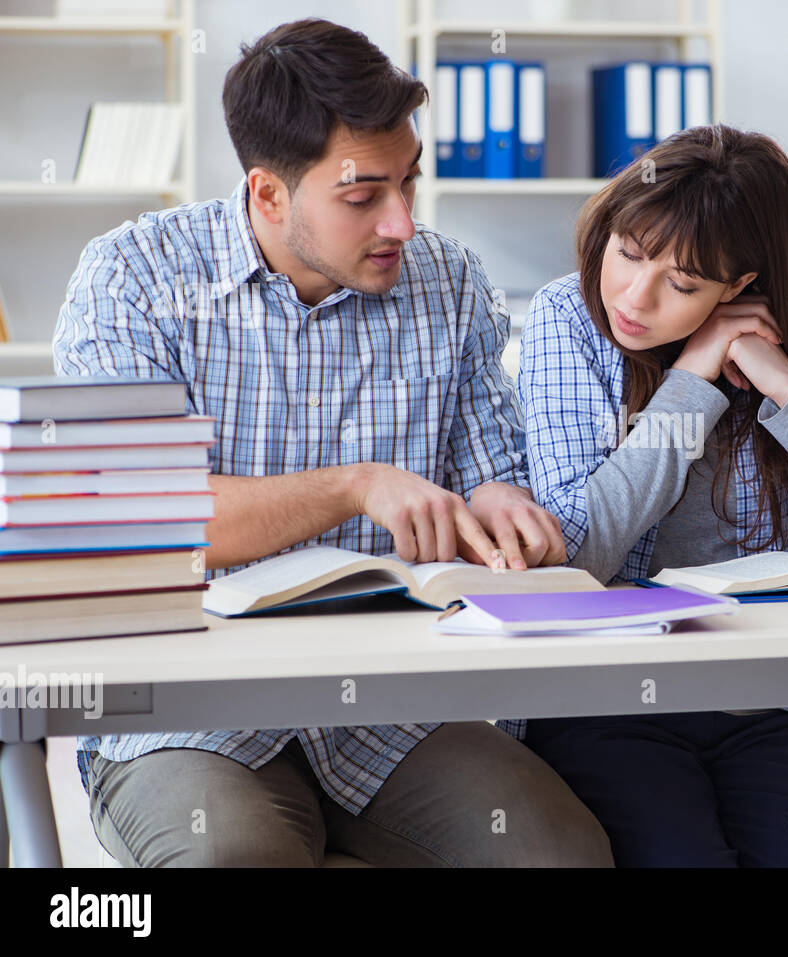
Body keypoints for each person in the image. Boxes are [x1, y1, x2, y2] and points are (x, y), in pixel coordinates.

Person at [52, 18, 612, 868]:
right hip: (193, 719)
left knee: (560, 852)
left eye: (410, 183)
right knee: (232, 860)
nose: (402, 224)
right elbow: (154, 520)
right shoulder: (132, 278)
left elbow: (494, 475)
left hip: (391, 715)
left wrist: (502, 504)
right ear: (267, 194)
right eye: (363, 197)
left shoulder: (449, 280)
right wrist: (356, 485)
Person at [501, 125, 788, 866]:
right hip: (607, 701)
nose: (634, 298)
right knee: (678, 851)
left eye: (683, 283)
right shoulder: (568, 320)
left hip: (777, 706)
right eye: (629, 253)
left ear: (739, 286)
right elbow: (578, 548)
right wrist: (691, 381)